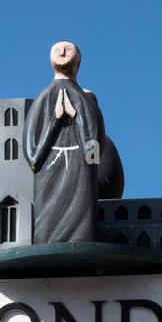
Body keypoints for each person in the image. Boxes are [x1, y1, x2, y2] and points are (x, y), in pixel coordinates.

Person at [23, 40, 123, 245]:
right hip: (48, 195)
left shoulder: (78, 102)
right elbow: (33, 157)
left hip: (81, 196)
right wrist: (55, 120)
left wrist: (76, 116)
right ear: (77, 65)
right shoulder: (45, 99)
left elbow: (94, 155)